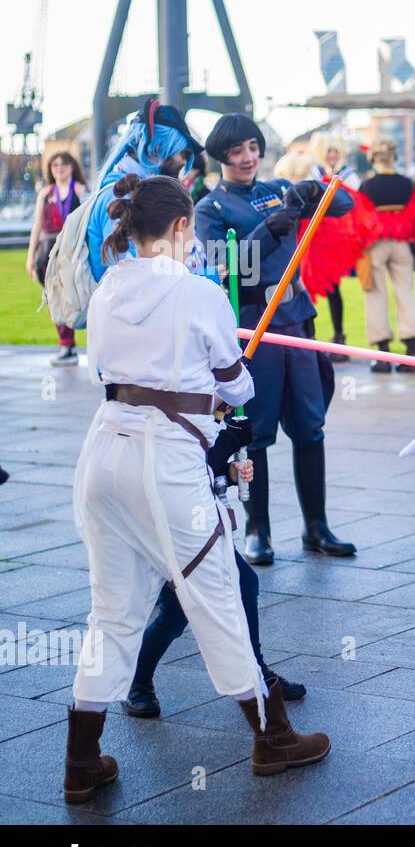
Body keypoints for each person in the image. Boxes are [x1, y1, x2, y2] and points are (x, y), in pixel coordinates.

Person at [64, 173, 329, 804]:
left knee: (112, 611)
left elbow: (107, 367)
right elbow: (239, 386)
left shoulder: (106, 289)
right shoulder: (200, 293)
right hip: (166, 464)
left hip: (102, 455)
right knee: (217, 602)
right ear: (182, 226)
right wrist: (224, 386)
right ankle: (273, 738)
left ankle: (80, 761)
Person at [196, 114, 356, 566]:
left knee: (310, 425)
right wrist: (272, 228)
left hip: (296, 322)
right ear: (222, 156)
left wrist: (314, 191)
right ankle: (257, 530)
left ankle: (316, 527)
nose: (247, 157)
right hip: (254, 325)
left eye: (252, 147)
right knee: (258, 431)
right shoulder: (211, 208)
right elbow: (225, 267)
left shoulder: (274, 191)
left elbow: (341, 208)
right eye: (237, 151)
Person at [122, 415, 307, 717]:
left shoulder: (210, 411)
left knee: (244, 584)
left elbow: (207, 471)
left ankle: (256, 671)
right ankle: (136, 680)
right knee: (176, 611)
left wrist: (230, 473)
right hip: (170, 527)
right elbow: (181, 467)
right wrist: (228, 443)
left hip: (204, 527)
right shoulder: (170, 403)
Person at [85, 100, 204, 284]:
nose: (183, 161)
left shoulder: (135, 193)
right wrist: (206, 278)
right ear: (157, 147)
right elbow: (133, 282)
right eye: (184, 152)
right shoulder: (119, 197)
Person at [358, 136, 415, 372]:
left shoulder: (367, 185)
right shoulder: (407, 183)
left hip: (375, 244)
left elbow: (360, 217)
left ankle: (382, 353)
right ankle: (412, 348)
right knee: (405, 292)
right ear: (394, 156)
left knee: (375, 294)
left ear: (373, 157)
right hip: (402, 243)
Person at [26, 151, 89, 366]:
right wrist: (30, 257)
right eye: (54, 165)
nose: (59, 168)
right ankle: (66, 345)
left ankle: (93, 343)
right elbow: (36, 227)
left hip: (72, 251)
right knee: (55, 299)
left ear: (72, 167)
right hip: (48, 252)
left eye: (64, 164)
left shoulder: (81, 191)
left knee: (77, 297)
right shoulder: (45, 193)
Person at [310, 132, 362, 360]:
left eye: (335, 151)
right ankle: (307, 338)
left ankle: (339, 337)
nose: (332, 156)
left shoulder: (349, 176)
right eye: (328, 151)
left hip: (338, 239)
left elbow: (357, 205)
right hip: (316, 239)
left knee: (333, 288)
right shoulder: (313, 174)